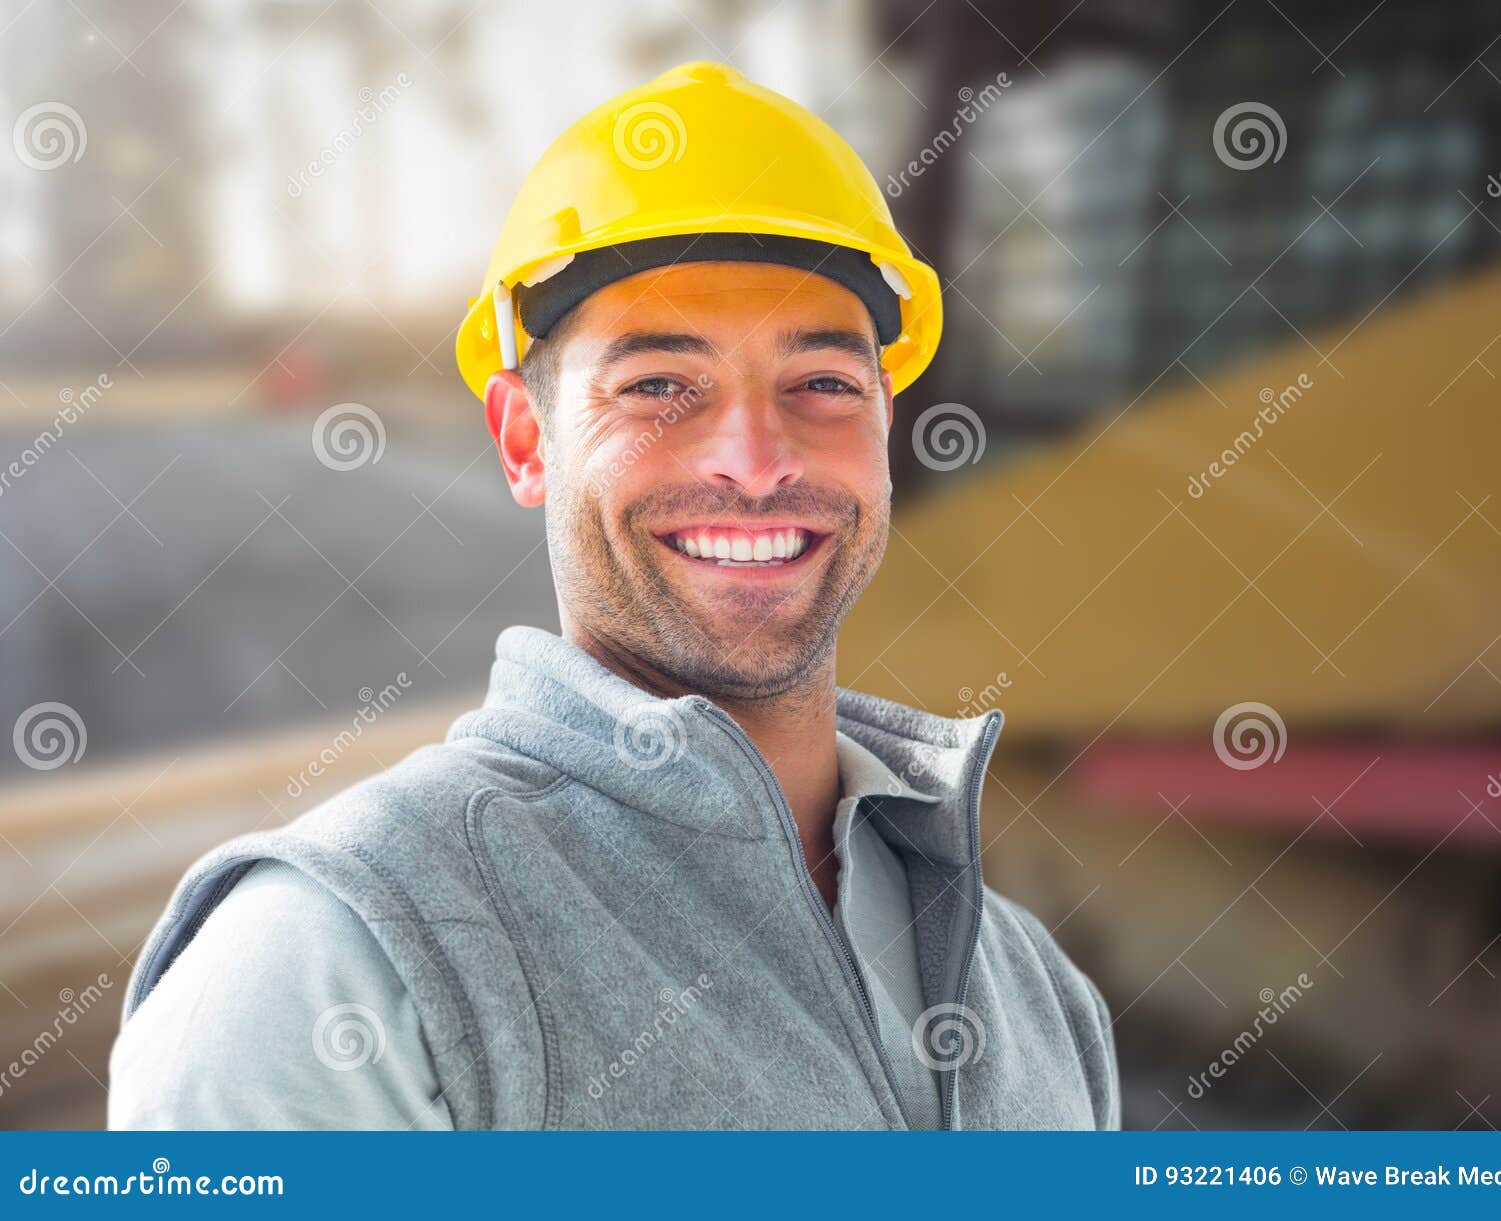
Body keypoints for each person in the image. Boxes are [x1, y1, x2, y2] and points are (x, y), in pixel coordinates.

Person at [109, 61, 1118, 1131]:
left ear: (882, 426)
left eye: (822, 382)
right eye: (657, 387)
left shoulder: (1034, 995)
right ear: (525, 438)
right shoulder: (338, 962)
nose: (756, 458)